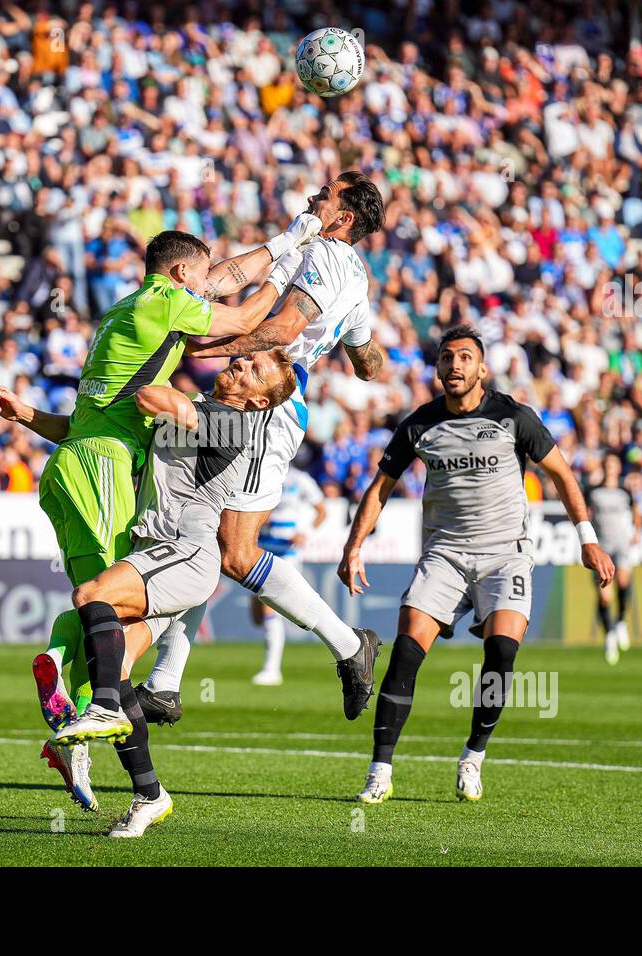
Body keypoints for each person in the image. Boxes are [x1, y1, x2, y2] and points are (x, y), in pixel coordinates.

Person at [0, 224, 315, 810]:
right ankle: (90, 710)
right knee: (103, 617)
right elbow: (242, 325)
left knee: (97, 612)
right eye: (206, 280)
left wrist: (26, 415)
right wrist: (297, 257)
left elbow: (102, 415)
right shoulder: (167, 302)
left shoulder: (123, 314)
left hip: (72, 463)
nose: (210, 294)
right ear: (184, 275)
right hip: (106, 473)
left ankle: (90, 715)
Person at [138, 170, 389, 726]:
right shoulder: (348, 272)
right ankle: (165, 681)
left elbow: (281, 331)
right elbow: (369, 363)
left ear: (343, 217)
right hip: (251, 396)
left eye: (325, 195)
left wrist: (204, 346)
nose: (312, 196)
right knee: (199, 525)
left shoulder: (327, 256)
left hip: (266, 406)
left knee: (234, 550)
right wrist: (359, 352)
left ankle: (350, 646)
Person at [338, 326, 614, 804]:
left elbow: (562, 475)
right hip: (444, 555)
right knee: (406, 652)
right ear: (438, 368)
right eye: (446, 357)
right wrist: (354, 546)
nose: (455, 365)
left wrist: (588, 540)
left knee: (502, 654)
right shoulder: (420, 424)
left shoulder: (513, 416)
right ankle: (380, 769)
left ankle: (473, 755)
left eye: (465, 357)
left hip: (505, 554)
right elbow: (380, 487)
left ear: (482, 369)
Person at [48, 348, 300, 835]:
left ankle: (99, 705)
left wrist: (171, 348)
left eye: (254, 370)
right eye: (246, 358)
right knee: (117, 668)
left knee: (89, 595)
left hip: (186, 551)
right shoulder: (202, 408)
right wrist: (27, 416)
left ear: (255, 403)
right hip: (159, 553)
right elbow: (94, 432)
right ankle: (149, 794)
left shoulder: (232, 423)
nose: (242, 362)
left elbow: (145, 394)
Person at [251, 465, 327, 685]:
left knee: (268, 606)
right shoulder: (261, 472)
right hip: (260, 548)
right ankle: (272, 663)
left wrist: (305, 533)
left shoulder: (299, 479)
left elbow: (322, 510)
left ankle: (272, 670)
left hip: (287, 552)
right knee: (257, 616)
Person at [587, 453, 642, 664]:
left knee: (624, 580)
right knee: (604, 597)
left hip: (621, 546)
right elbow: (582, 511)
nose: (610, 467)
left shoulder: (624, 491)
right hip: (602, 548)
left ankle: (620, 621)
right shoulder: (593, 491)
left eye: (614, 463)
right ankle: (609, 633)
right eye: (607, 463)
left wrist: (637, 530)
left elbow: (637, 511)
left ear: (618, 468)